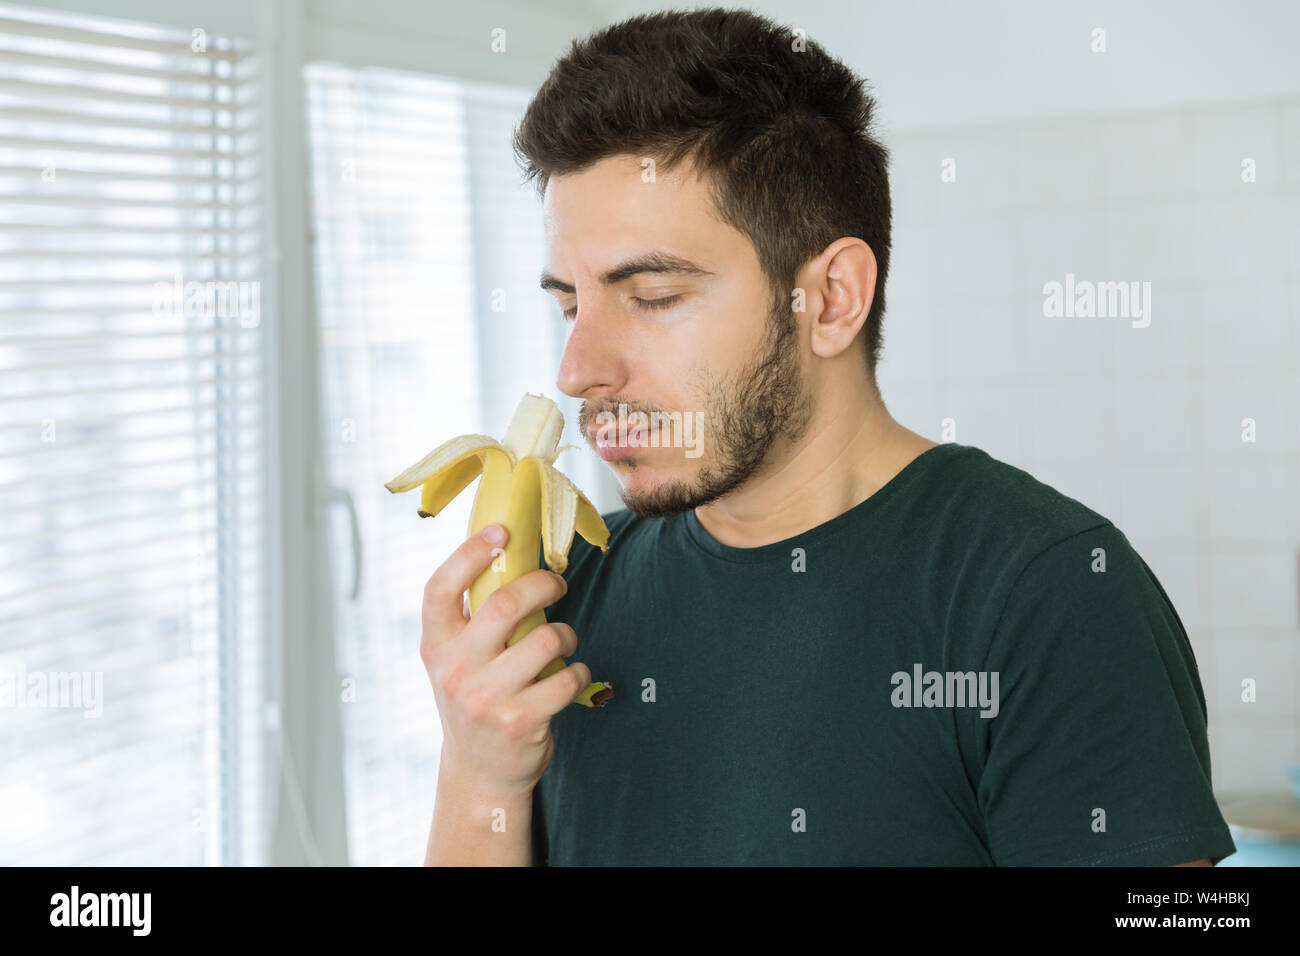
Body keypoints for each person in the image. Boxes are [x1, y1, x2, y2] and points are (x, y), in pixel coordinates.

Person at [418, 7, 1234, 866]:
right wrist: (478, 774)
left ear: (833, 299)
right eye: (569, 305)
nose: (577, 369)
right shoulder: (564, 597)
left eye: (652, 297)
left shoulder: (1047, 593)